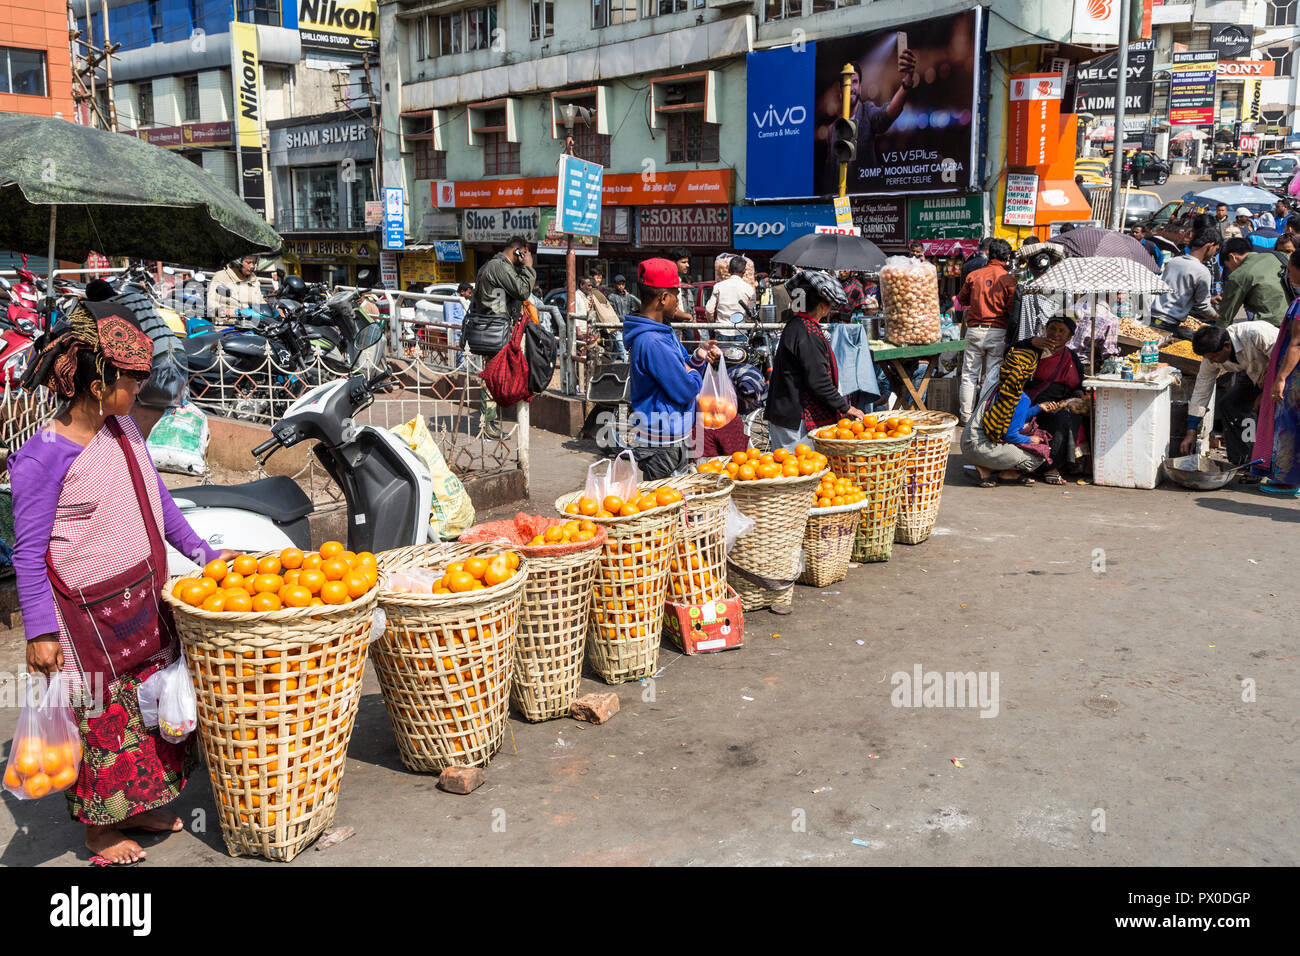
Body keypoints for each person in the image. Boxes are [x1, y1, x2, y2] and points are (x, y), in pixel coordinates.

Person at [10, 302, 233, 866]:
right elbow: (29, 555)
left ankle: (142, 804)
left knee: (149, 712)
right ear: (95, 383)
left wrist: (204, 554)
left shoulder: (124, 428)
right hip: (82, 621)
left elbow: (159, 504)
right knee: (105, 721)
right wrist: (40, 633)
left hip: (140, 600)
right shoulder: (40, 459)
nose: (139, 390)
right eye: (131, 380)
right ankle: (101, 832)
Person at [622, 257, 719, 479]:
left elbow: (683, 362)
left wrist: (696, 357)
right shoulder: (653, 342)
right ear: (663, 298)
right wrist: (693, 372)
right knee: (664, 505)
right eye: (676, 294)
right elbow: (684, 389)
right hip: (662, 441)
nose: (678, 302)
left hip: (671, 435)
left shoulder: (663, 331)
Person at [765, 270, 864, 451]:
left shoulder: (798, 325)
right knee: (796, 472)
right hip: (796, 420)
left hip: (788, 413)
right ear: (822, 305)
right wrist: (846, 408)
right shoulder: (807, 332)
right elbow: (818, 381)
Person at [1180, 322, 1279, 466]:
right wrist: (1191, 431)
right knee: (1230, 404)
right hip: (1256, 374)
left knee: (1270, 412)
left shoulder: (1256, 334)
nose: (1211, 361)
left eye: (1214, 357)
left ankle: (1273, 462)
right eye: (1208, 358)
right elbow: (1202, 389)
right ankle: (1246, 460)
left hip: (1286, 373)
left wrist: (1265, 395)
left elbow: (1286, 361)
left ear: (1227, 346)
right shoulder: (1211, 357)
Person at [822, 47, 917, 194]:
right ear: (840, 90)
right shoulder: (832, 129)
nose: (851, 87)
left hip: (866, 203)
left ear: (860, 87)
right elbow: (829, 173)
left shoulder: (867, 112)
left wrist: (906, 82)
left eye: (855, 82)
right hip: (840, 203)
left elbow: (888, 113)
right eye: (847, 82)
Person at [960, 333, 1050, 486]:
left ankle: (996, 469)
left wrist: (1037, 409)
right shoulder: (1020, 398)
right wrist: (1031, 440)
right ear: (1030, 373)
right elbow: (1011, 435)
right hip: (980, 448)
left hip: (968, 443)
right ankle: (990, 470)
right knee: (1038, 457)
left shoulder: (996, 385)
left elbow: (1014, 417)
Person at [1251, 249, 1300, 495]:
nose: (1288, 272)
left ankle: (1287, 481)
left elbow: (1297, 344)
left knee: (1289, 423)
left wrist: (1281, 378)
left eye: (1290, 267)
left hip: (1295, 375)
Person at [956, 237, 1016, 426]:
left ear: (989, 253)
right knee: (992, 374)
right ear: (1007, 257)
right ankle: (983, 416)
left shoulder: (974, 275)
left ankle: (965, 416)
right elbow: (1011, 309)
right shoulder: (1009, 280)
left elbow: (962, 300)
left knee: (969, 375)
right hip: (998, 332)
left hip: (974, 330)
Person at [1023, 316, 1088, 482]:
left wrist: (1079, 395)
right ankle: (1049, 466)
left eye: (1061, 331)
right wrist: (1031, 342)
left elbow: (1078, 385)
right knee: (1058, 417)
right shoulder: (1032, 350)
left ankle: (1068, 462)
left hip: (1063, 402)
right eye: (1052, 328)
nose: (1055, 334)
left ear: (1069, 337)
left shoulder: (1072, 357)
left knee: (1071, 414)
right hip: (1034, 401)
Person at [1151, 228, 1220, 328]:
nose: (1214, 254)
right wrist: (1219, 318)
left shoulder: (1174, 261)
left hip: (1153, 317)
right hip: (1168, 323)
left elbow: (1177, 294)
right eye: (1216, 249)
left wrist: (1210, 299)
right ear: (1210, 246)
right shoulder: (1202, 271)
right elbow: (1203, 308)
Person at [1214, 236, 1289, 327]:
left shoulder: (1239, 275)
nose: (1230, 270)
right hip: (1293, 319)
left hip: (1269, 327)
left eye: (1228, 266)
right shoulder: (1278, 257)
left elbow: (1225, 317)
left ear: (1232, 257)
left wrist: (1216, 334)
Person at [471, 235, 536, 323]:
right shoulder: (500, 266)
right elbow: (523, 292)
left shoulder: (492, 264)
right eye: (524, 252)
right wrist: (528, 267)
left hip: (490, 324)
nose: (526, 256)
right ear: (516, 251)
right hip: (495, 327)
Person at [206, 254, 265, 318]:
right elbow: (211, 301)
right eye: (248, 262)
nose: (252, 266)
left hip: (251, 322)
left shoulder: (254, 279)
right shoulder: (221, 276)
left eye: (254, 262)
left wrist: (272, 310)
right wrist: (223, 311)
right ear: (237, 262)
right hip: (227, 322)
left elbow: (260, 301)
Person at [706, 256, 756, 323]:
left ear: (729, 269)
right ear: (744, 271)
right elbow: (751, 313)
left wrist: (711, 323)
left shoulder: (718, 286)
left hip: (721, 329)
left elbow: (709, 310)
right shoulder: (749, 289)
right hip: (741, 329)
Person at [442, 282, 472, 346]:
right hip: (456, 336)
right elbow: (449, 321)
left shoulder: (465, 301)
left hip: (464, 334)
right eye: (469, 293)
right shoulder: (450, 300)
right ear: (462, 292)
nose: (470, 295)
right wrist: (455, 340)